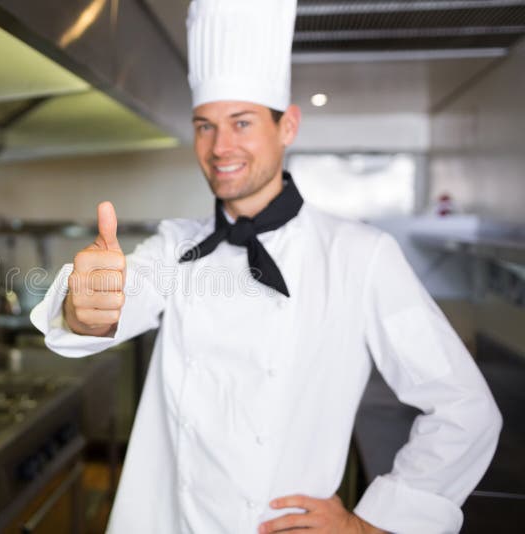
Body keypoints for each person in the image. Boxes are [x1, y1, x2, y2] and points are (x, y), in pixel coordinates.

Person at [30, 1, 502, 532]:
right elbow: (109, 308)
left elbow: (465, 410)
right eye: (204, 126)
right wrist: (86, 309)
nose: (219, 146)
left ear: (288, 126)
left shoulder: (358, 255)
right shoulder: (174, 244)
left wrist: (373, 524)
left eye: (242, 122)